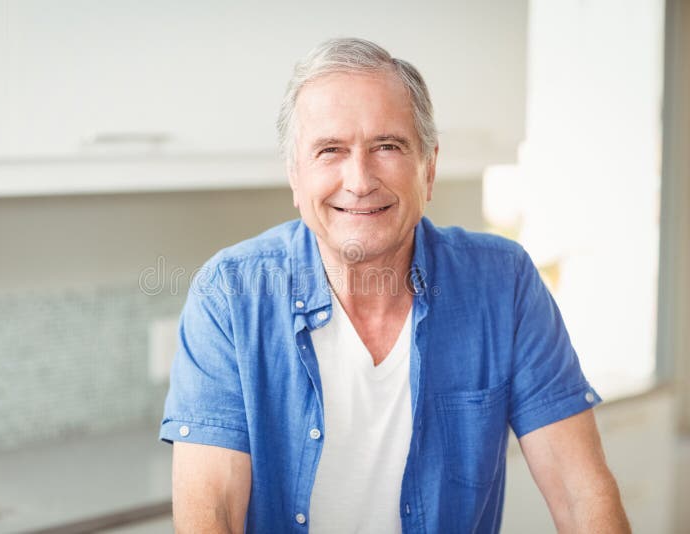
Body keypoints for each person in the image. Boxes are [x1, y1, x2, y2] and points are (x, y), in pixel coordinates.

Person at [159, 37, 630, 533]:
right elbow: (212, 515)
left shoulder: (504, 284)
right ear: (295, 177)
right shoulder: (228, 296)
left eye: (387, 146)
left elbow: (582, 495)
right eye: (330, 151)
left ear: (428, 168)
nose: (359, 180)